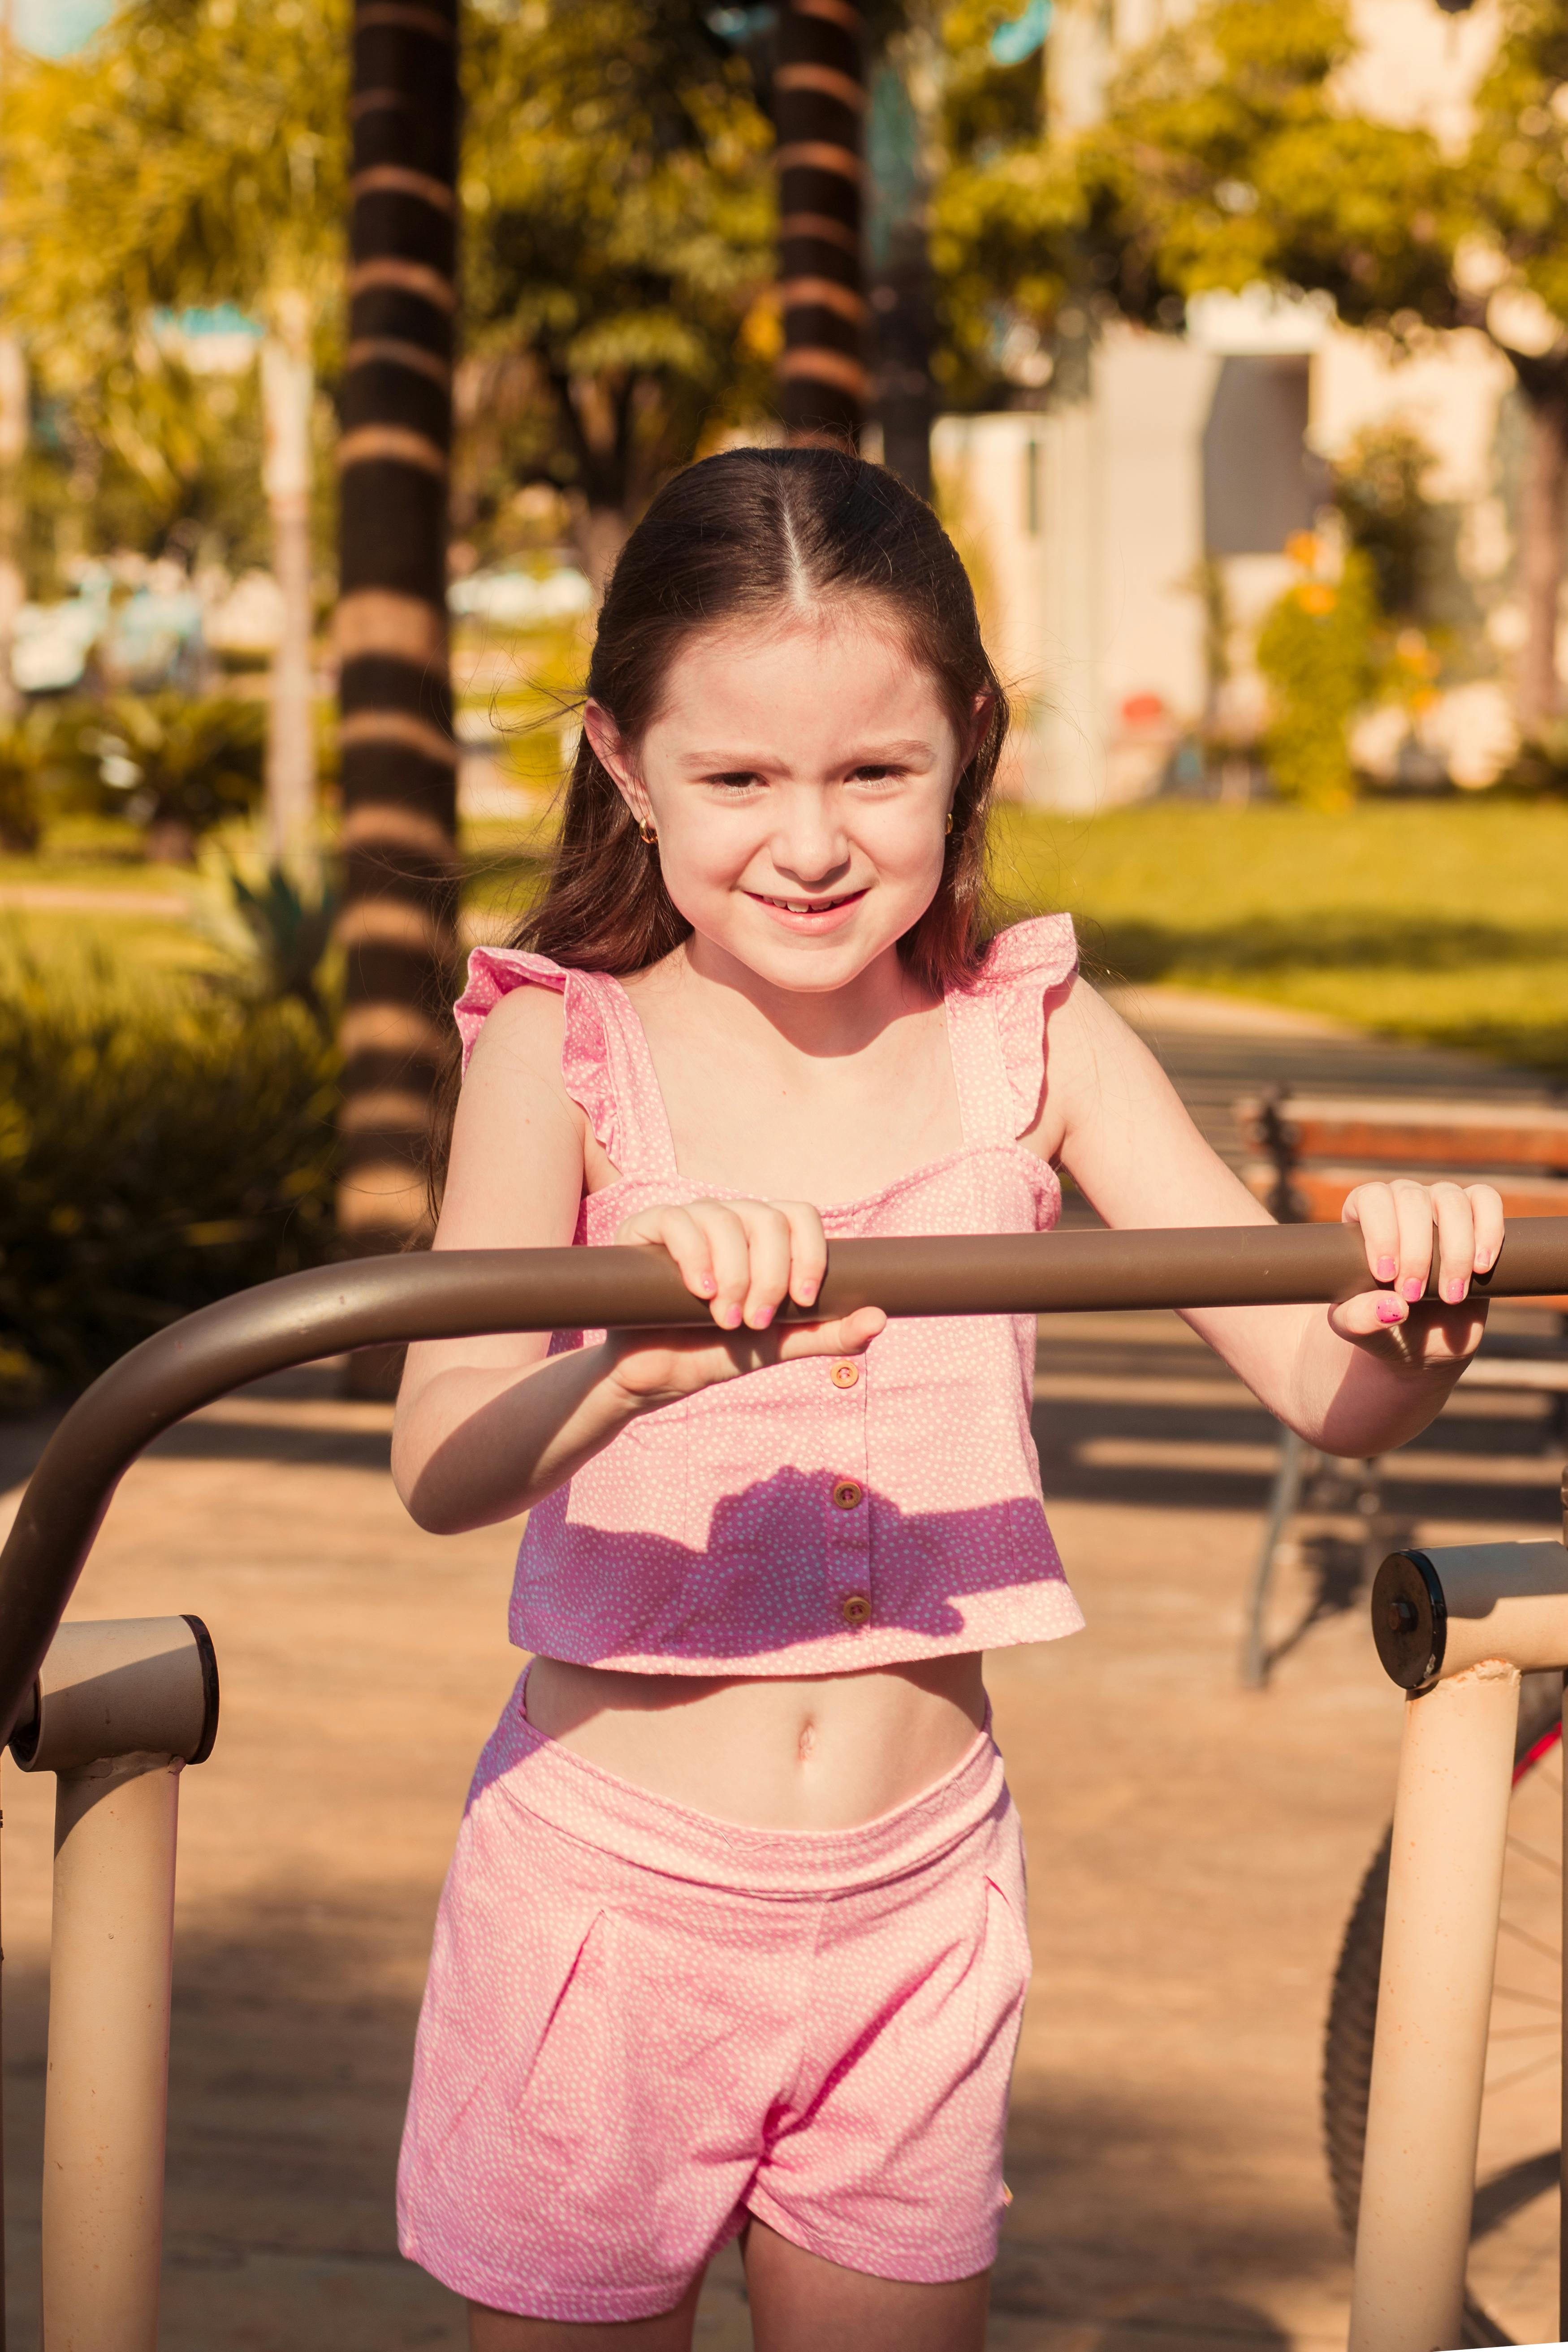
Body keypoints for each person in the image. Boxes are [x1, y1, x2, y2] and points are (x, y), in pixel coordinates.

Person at [389, 448, 1502, 2352]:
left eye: (870, 773)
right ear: (620, 758)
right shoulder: (561, 1051)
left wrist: (1408, 1300)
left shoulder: (1030, 1032)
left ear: (966, 742)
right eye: (736, 777)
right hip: (610, 1901)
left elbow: (1325, 1387)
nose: (807, 840)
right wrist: (629, 1356)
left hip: (919, 1898)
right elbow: (436, 1454)